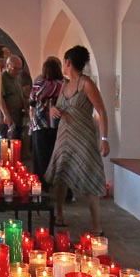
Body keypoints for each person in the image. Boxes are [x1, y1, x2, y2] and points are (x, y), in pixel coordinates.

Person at [45, 45, 110, 235]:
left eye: (64, 62)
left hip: (83, 136)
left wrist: (104, 138)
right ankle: (59, 215)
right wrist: (53, 110)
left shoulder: (86, 84)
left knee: (89, 175)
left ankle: (96, 225)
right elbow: (58, 107)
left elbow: (101, 110)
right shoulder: (65, 85)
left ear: (68, 62)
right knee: (61, 175)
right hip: (64, 136)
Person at [29, 56, 64, 184]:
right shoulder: (64, 84)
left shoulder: (38, 83)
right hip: (58, 124)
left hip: (39, 124)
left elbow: (32, 101)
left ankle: (41, 185)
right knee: (55, 156)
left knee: (40, 157)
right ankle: (56, 183)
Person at [0, 54, 27, 142]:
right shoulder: (2, 78)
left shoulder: (18, 77)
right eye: (15, 68)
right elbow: (0, 97)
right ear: (7, 66)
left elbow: (20, 94)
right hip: (7, 119)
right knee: (6, 143)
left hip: (18, 116)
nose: (18, 71)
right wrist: (6, 114)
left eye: (20, 69)